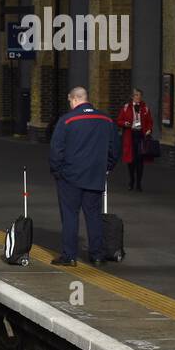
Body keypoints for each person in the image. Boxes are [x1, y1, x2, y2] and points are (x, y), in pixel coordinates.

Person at [49, 86, 120, 266]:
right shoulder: (106, 120)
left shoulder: (66, 121)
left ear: (73, 99)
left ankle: (69, 256)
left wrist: (57, 172)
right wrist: (107, 167)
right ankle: (96, 255)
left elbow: (56, 150)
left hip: (70, 177)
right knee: (94, 215)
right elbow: (114, 149)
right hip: (95, 176)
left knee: (70, 215)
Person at [116, 88, 153, 191]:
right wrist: (125, 123)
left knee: (140, 160)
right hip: (130, 135)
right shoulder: (126, 107)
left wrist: (149, 129)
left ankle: (139, 183)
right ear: (132, 97)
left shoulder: (145, 108)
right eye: (136, 95)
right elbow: (119, 120)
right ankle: (131, 180)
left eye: (140, 95)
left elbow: (150, 121)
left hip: (141, 135)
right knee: (131, 160)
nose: (138, 97)